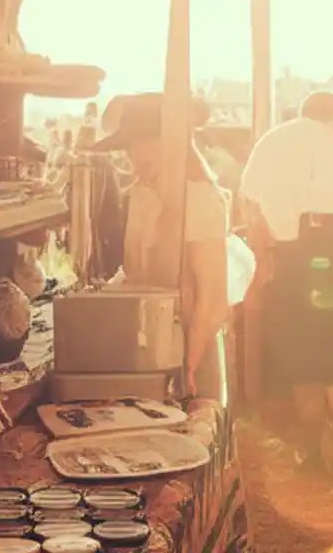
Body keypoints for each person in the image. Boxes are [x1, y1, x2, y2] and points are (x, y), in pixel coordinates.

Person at [240, 91, 333, 486]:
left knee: (300, 348)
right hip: (330, 247)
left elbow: (250, 207)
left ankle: (311, 452)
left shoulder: (270, 141)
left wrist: (264, 258)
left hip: (286, 253)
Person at [90, 93, 230, 401]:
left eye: (145, 143)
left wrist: (190, 362)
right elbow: (134, 271)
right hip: (147, 345)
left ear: (173, 143)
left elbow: (212, 296)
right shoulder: (139, 194)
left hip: (191, 349)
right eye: (130, 146)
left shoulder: (198, 197)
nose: (135, 155)